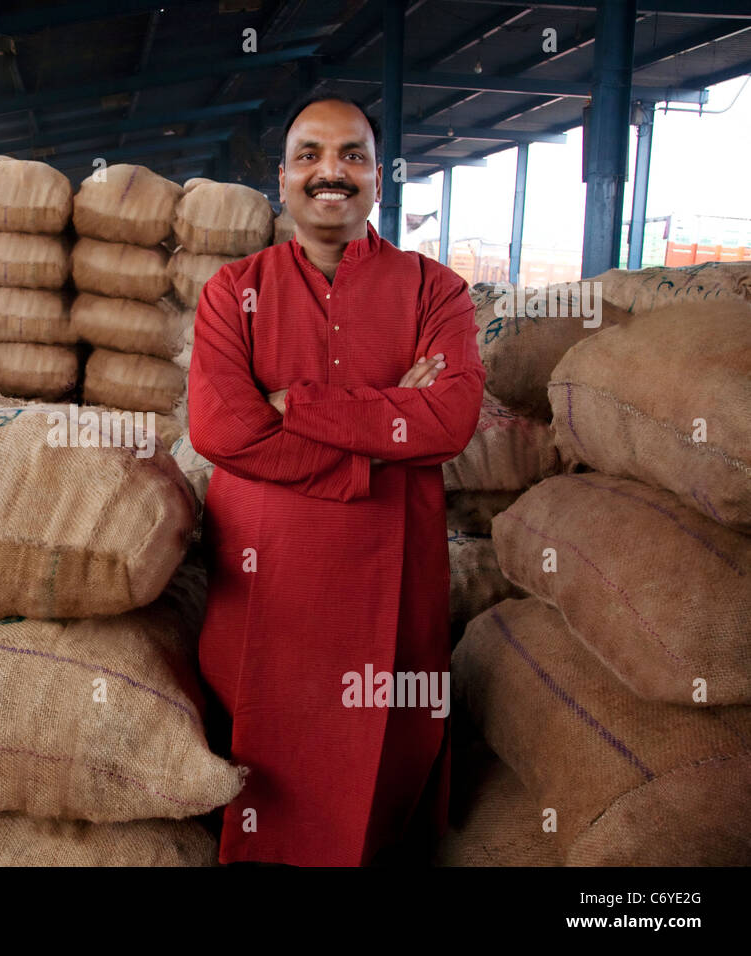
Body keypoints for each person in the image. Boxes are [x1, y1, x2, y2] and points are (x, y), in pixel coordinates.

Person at [188, 95, 485, 866]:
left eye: (352, 155)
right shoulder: (233, 291)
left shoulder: (436, 290)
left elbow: (450, 420)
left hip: (392, 580)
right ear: (282, 178)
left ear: (378, 179)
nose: (332, 172)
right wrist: (382, 441)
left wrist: (300, 407)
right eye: (311, 155)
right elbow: (221, 429)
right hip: (268, 589)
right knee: (265, 768)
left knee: (386, 772)